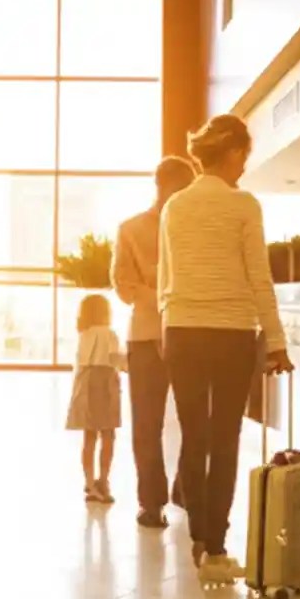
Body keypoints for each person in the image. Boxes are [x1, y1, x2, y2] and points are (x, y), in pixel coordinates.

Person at [159, 113, 294, 585]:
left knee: (194, 436)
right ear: (234, 151)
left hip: (181, 330)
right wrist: (276, 342)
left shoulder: (175, 206)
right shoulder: (243, 205)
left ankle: (199, 537)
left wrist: (169, 323)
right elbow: (260, 277)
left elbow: (165, 276)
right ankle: (215, 546)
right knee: (224, 439)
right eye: (244, 156)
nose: (244, 165)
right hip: (232, 332)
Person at [112, 156, 196, 528]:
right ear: (162, 186)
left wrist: (157, 285)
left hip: (190, 333)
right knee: (147, 424)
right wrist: (166, 299)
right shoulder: (131, 229)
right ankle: (151, 502)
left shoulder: (196, 229)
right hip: (146, 337)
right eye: (181, 188)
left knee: (197, 420)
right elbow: (123, 285)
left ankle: (184, 489)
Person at [65, 293, 125, 504]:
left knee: (89, 436)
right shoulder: (109, 333)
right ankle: (103, 480)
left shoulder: (84, 334)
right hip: (104, 384)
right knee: (108, 434)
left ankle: (89, 483)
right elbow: (115, 359)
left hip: (84, 383)